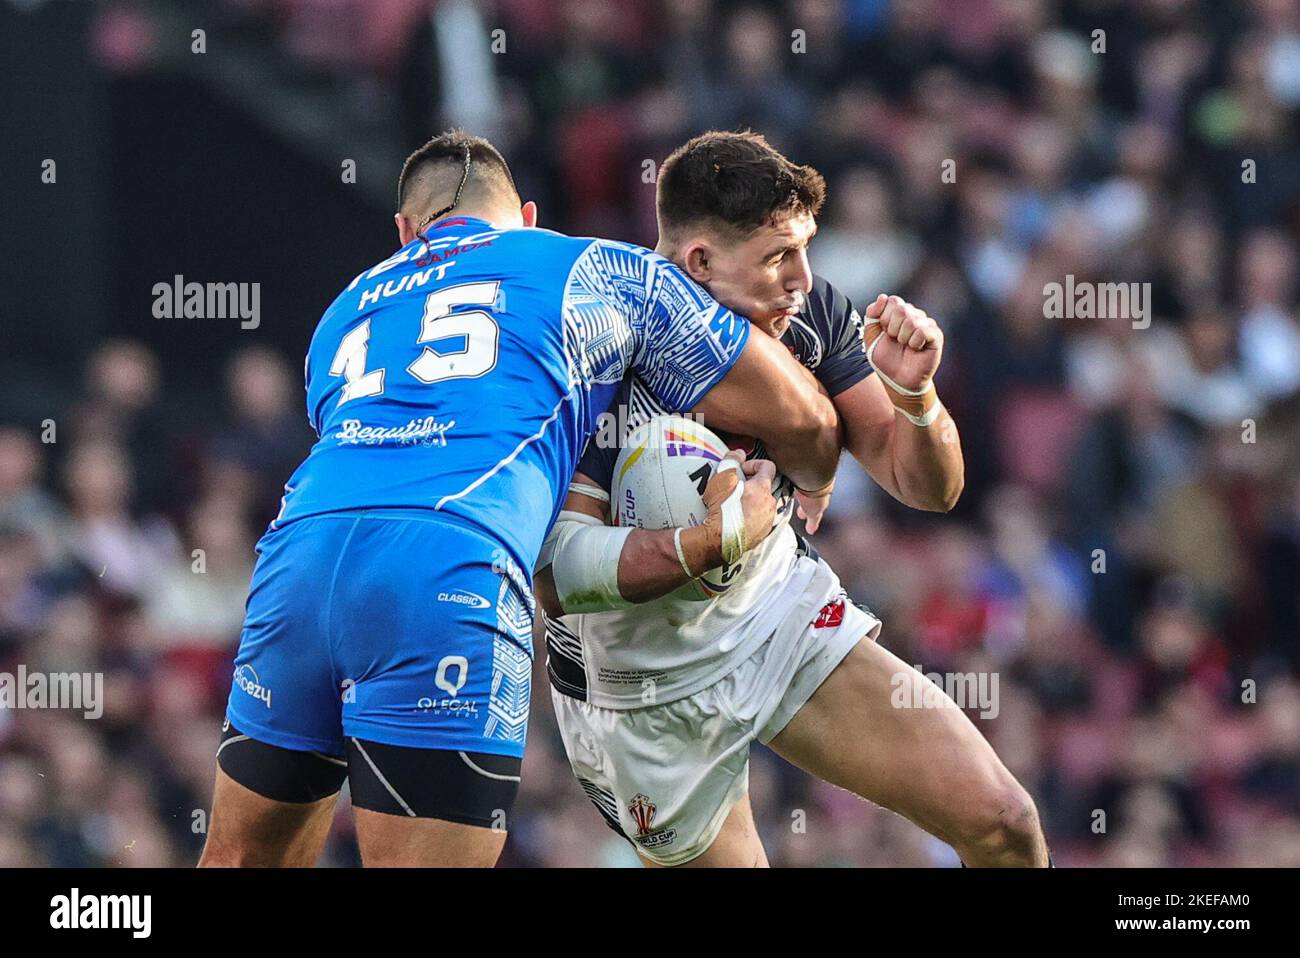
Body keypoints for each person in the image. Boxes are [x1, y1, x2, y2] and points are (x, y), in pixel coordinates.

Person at [198, 130, 840, 868]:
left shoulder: (347, 307)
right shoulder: (595, 267)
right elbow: (804, 419)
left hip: (298, 559)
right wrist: (806, 476)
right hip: (448, 564)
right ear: (528, 218)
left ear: (405, 234)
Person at [537, 131, 1051, 867]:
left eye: (806, 247)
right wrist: (713, 539)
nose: (804, 278)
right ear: (700, 263)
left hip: (774, 613)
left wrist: (916, 396)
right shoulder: (596, 350)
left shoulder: (808, 317)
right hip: (637, 688)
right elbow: (557, 582)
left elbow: (931, 488)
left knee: (1004, 820)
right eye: (780, 256)